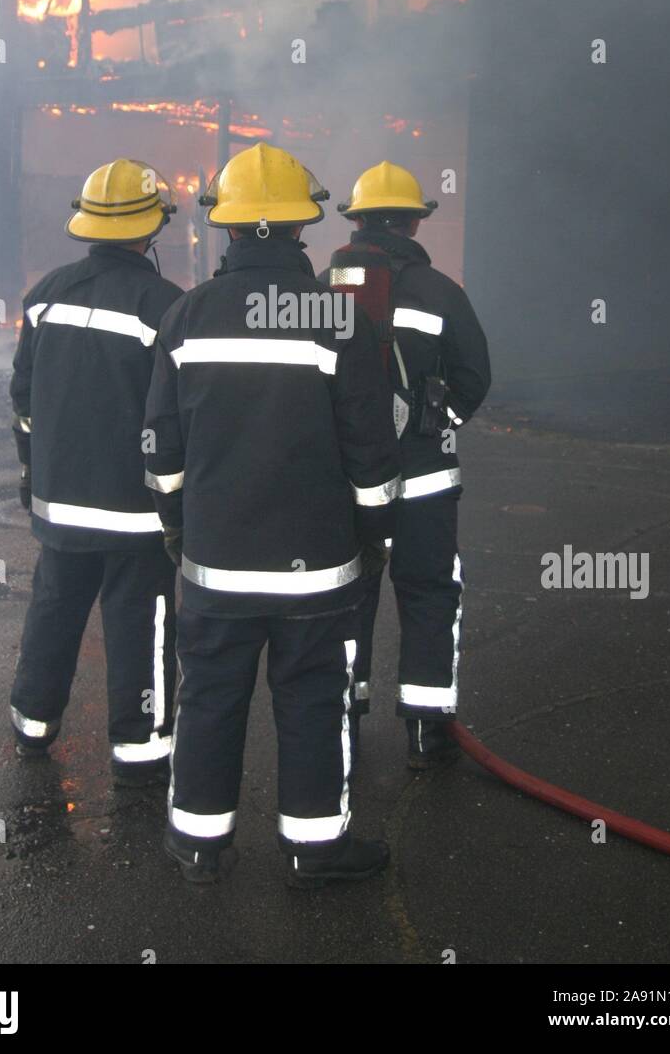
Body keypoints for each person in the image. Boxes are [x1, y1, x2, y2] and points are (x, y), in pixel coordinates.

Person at [144, 142, 401, 887]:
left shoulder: (186, 318)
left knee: (210, 697)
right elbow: (370, 453)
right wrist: (372, 536)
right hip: (316, 572)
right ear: (300, 228)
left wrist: (176, 527)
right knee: (314, 701)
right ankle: (315, 850)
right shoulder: (337, 320)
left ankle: (198, 844)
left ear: (225, 228)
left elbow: (162, 449)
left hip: (216, 567)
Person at [9, 159, 182, 786]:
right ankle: (140, 752)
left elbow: (23, 399)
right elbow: (177, 414)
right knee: (142, 621)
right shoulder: (166, 306)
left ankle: (32, 723)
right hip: (136, 512)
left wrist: (35, 476)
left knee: (54, 609)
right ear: (152, 228)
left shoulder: (45, 294)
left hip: (60, 505)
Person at [324, 161, 491, 768]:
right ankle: (426, 729)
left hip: (347, 482)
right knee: (427, 592)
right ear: (416, 224)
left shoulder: (328, 284)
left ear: (359, 221)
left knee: (349, 597)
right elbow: (474, 377)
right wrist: (438, 424)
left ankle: (344, 717)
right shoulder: (444, 290)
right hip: (426, 479)